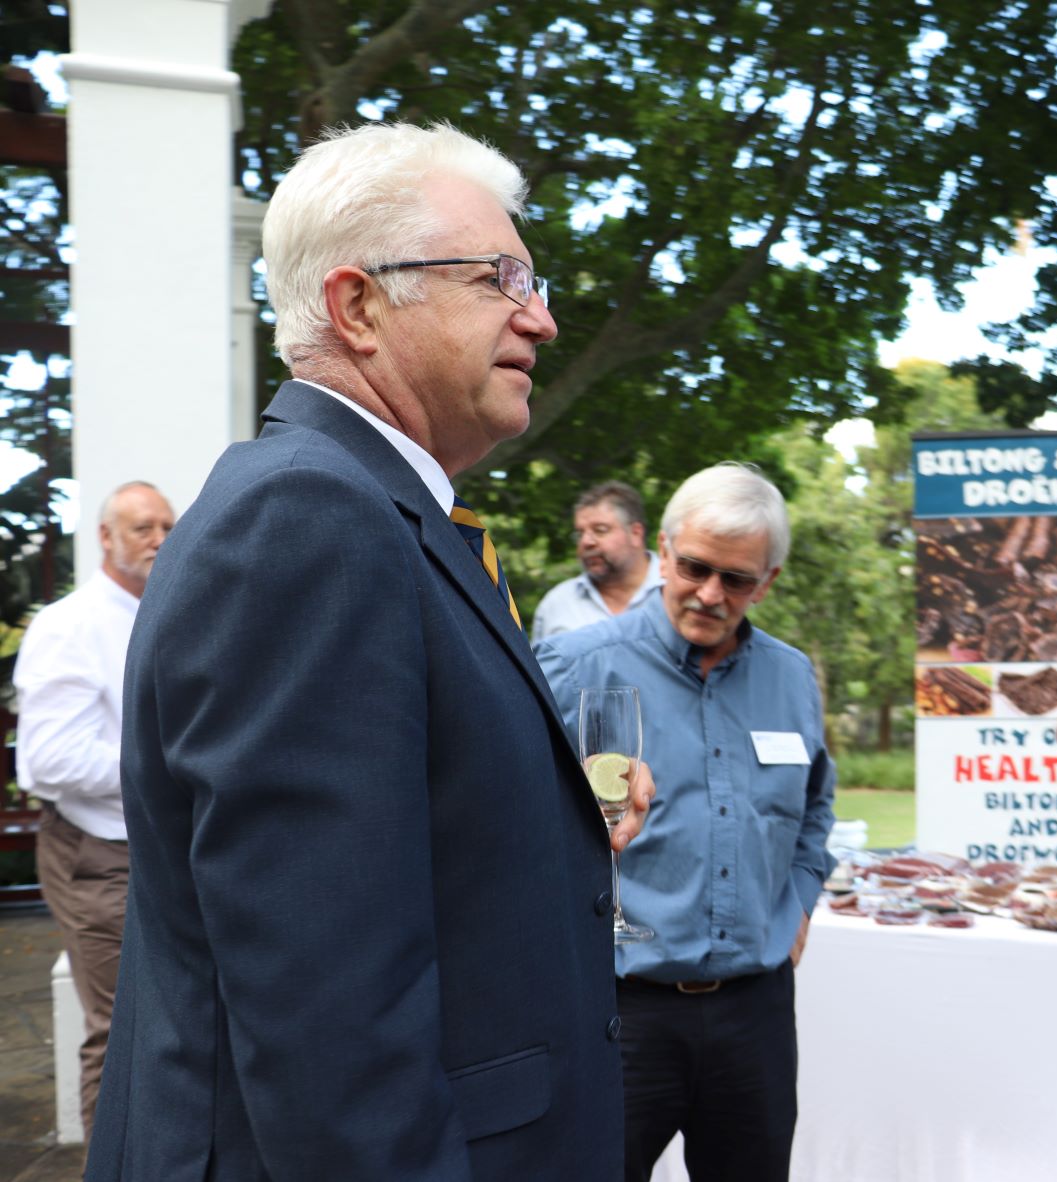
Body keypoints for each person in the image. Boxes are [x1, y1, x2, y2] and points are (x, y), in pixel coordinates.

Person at [87, 123, 651, 1180]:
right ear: (358, 307)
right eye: (500, 276)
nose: (543, 314)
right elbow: (327, 1020)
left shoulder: (369, 514)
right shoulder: (308, 519)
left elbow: (388, 838)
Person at [536, 461, 836, 1182]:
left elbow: (815, 809)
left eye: (736, 579)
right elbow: (508, 812)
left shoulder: (790, 677)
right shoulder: (576, 666)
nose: (709, 593)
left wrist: (798, 896)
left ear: (767, 581)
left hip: (754, 1015)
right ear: (662, 551)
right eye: (695, 567)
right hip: (620, 1012)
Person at [12, 480, 175, 1137]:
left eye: (168, 524)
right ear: (105, 537)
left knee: (166, 1029)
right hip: (100, 857)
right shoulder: (67, 627)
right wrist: (175, 766)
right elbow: (48, 762)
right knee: (119, 1036)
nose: (160, 538)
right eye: (142, 527)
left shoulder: (164, 609)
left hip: (161, 845)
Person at [531, 481, 665, 642]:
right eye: (580, 533)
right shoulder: (557, 604)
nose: (586, 542)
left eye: (600, 530)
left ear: (636, 533)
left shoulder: (677, 588)